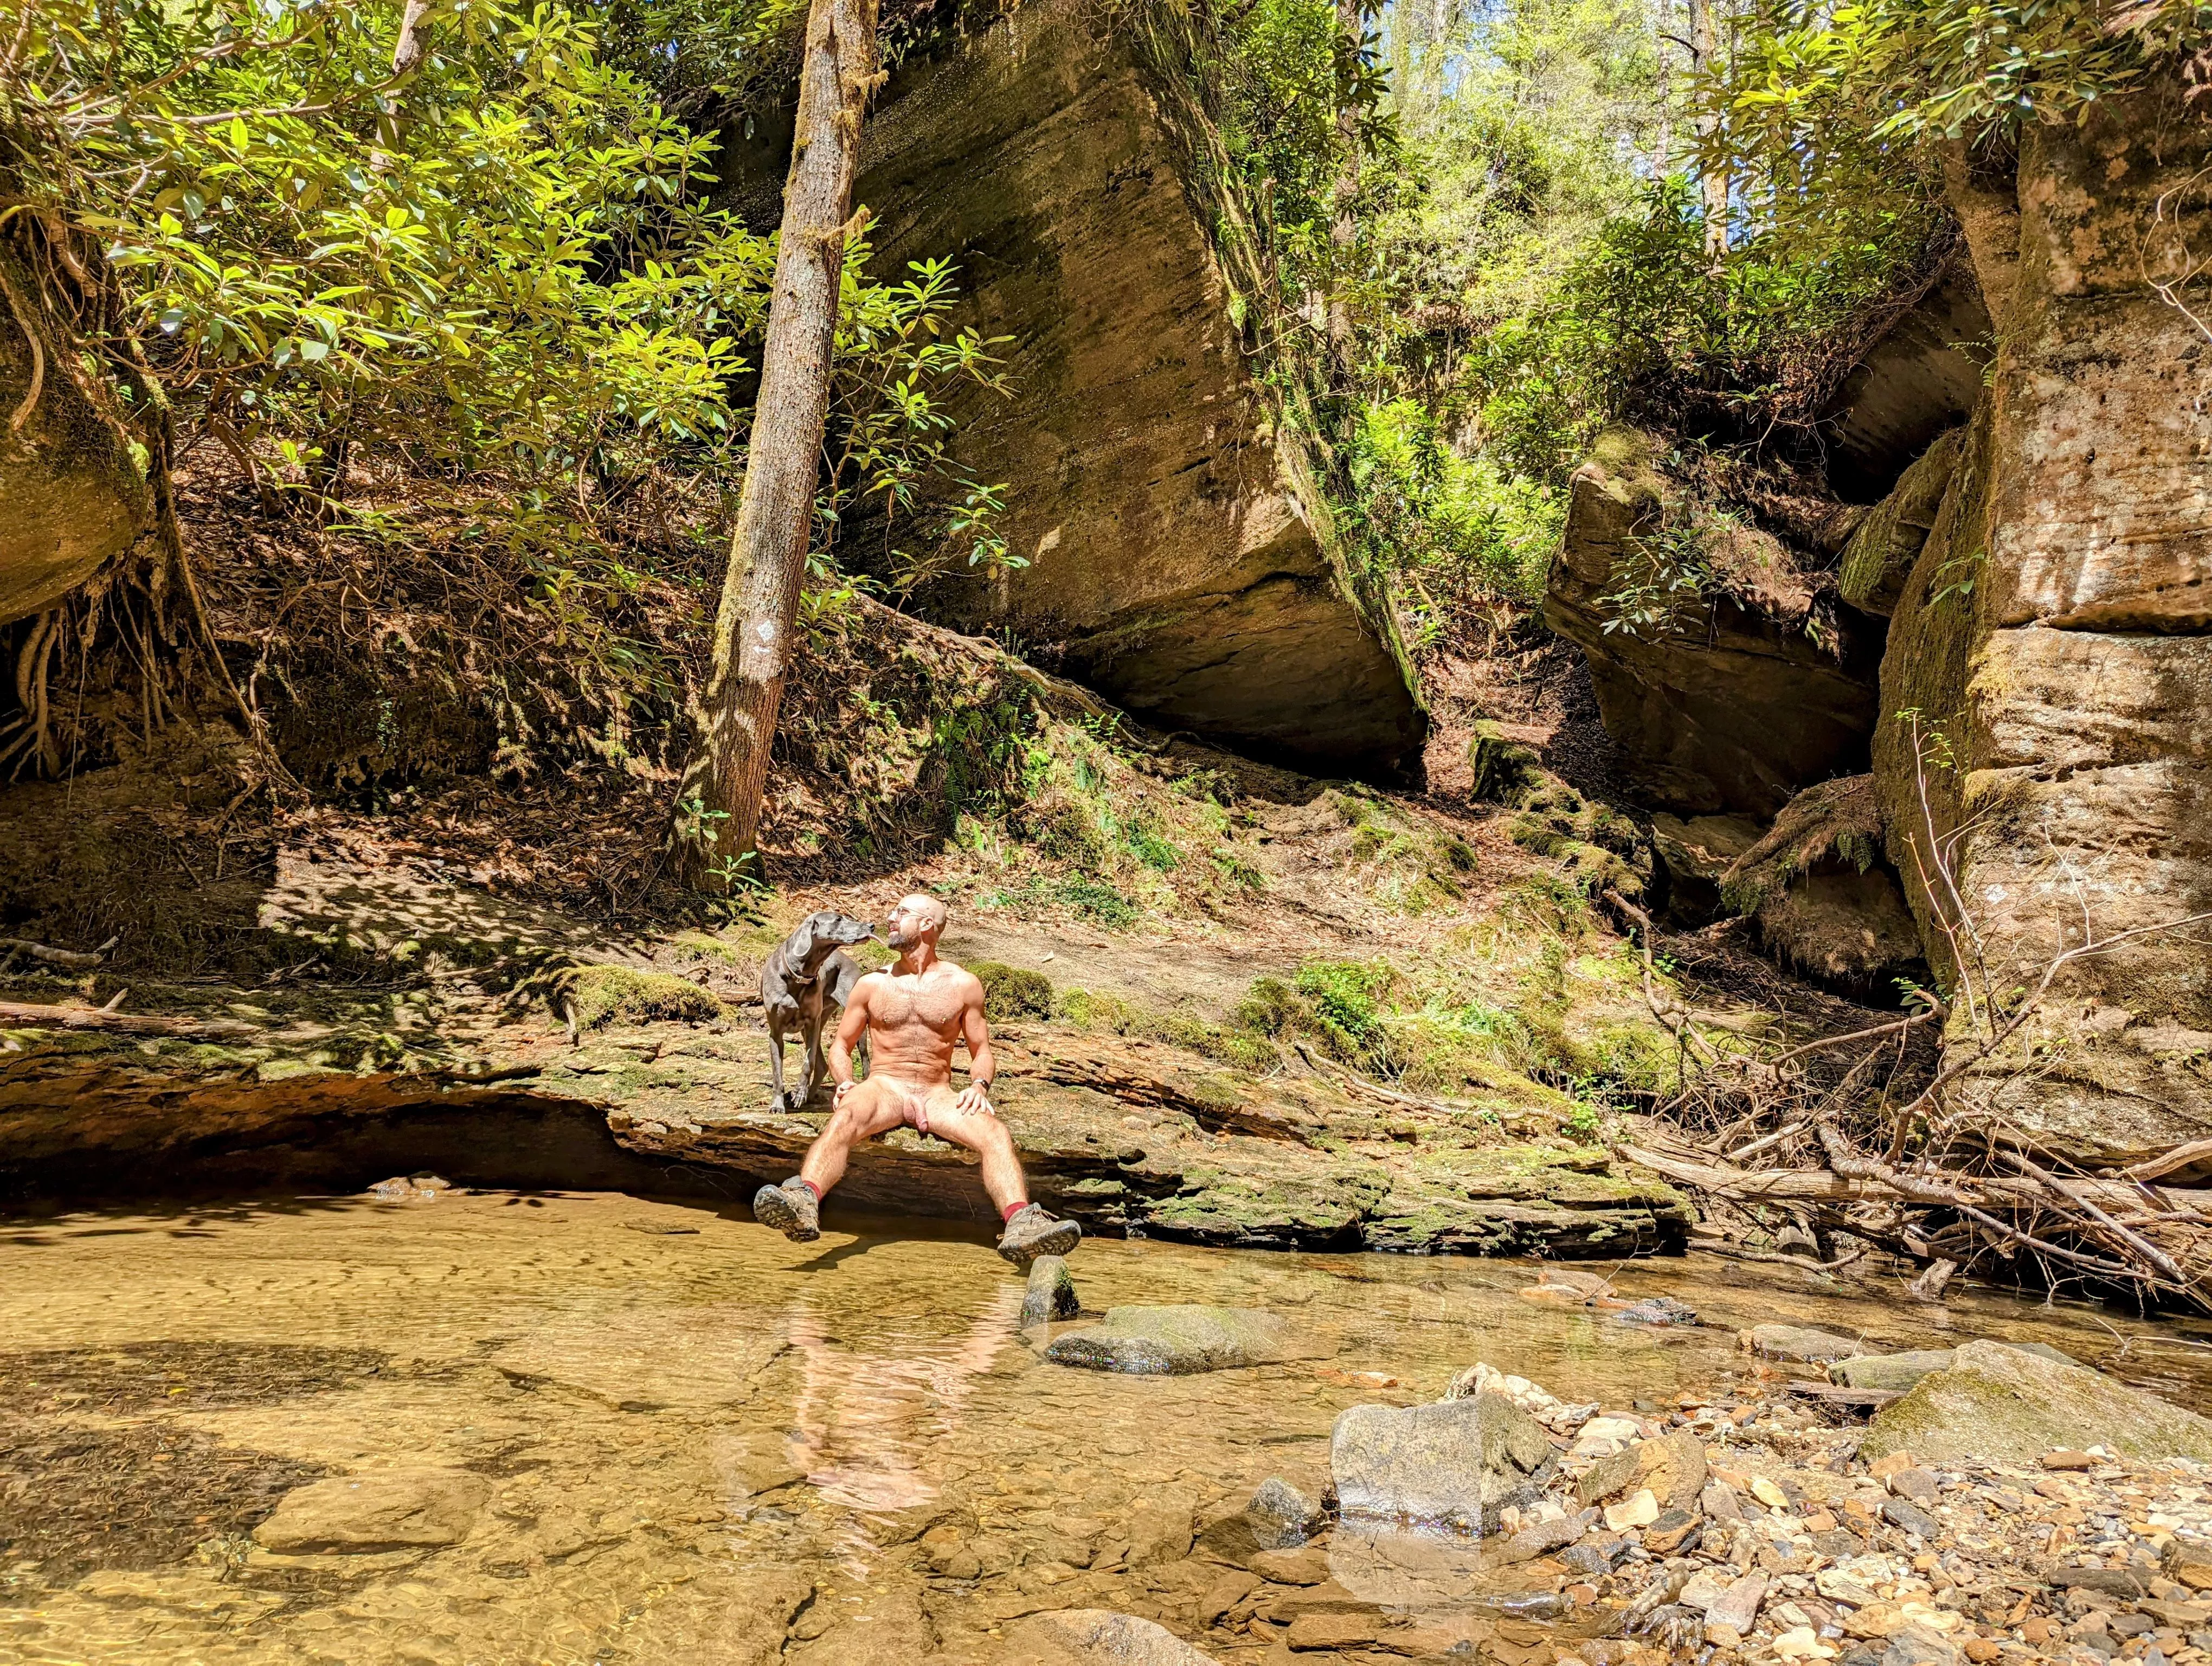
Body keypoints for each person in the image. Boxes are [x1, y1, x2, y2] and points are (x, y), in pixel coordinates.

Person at [751, 893, 1082, 1266]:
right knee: (844, 1117)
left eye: (901, 913)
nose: (890, 918)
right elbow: (840, 1046)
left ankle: (1022, 1224)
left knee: (995, 1134)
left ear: (927, 924)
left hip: (937, 1092)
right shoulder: (872, 984)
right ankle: (804, 1200)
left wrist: (978, 1086)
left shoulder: (964, 985)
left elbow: (982, 1051)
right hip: (884, 1086)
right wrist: (845, 1081)